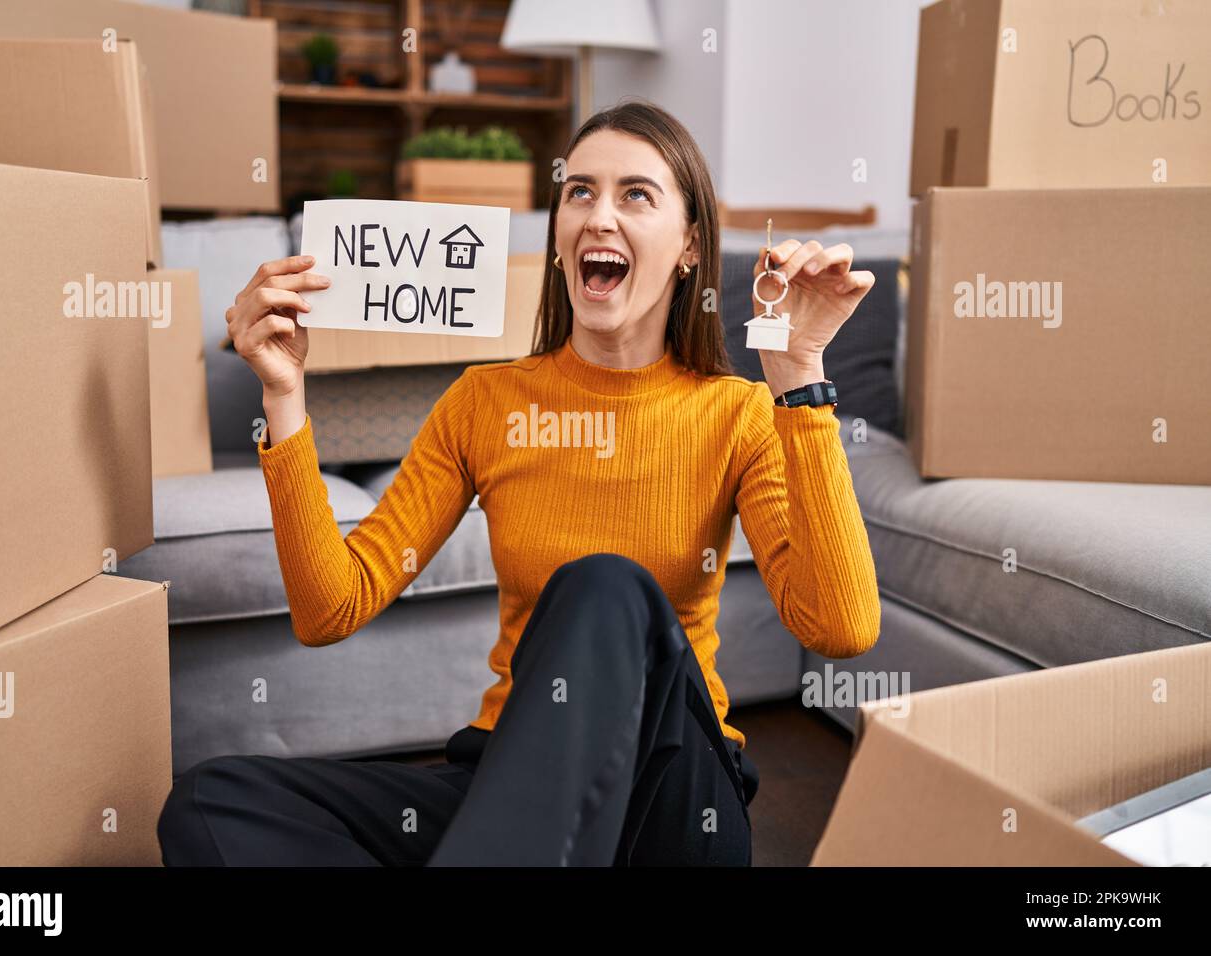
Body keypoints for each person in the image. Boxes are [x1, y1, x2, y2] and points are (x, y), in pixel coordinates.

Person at [157, 98, 881, 867]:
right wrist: (283, 396)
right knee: (211, 801)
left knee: (605, 587)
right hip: (507, 777)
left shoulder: (736, 413)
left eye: (636, 194)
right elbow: (328, 608)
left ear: (690, 246)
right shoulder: (486, 402)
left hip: (671, 796)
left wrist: (800, 380)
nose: (599, 216)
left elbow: (842, 629)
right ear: (561, 237)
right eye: (580, 192)